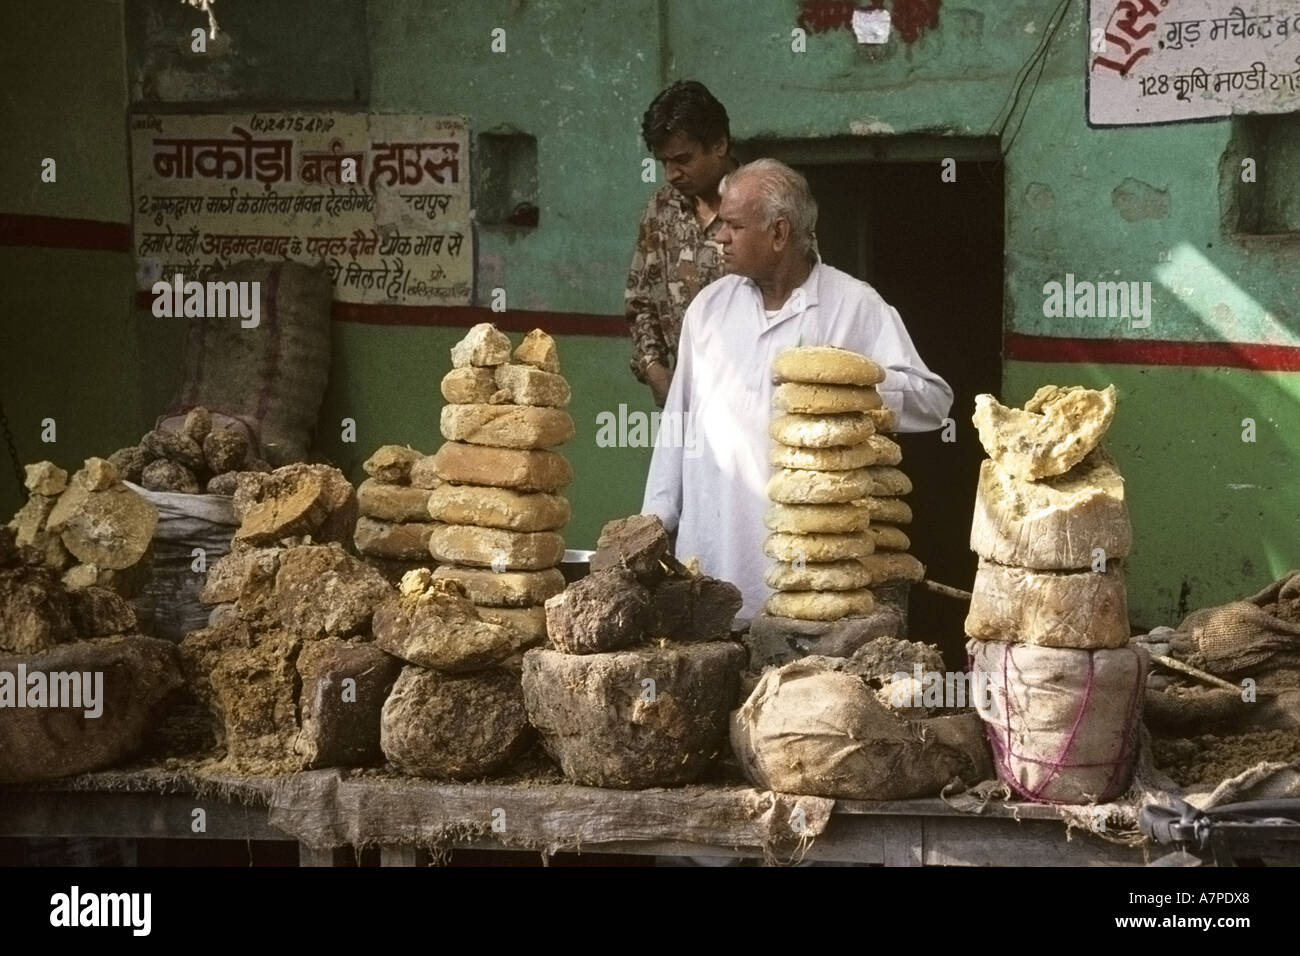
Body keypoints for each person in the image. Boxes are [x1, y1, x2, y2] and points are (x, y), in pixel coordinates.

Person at [642, 159, 953, 624]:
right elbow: (677, 422)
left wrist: (845, 379)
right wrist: (654, 522)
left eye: (734, 225)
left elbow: (934, 402)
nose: (719, 237)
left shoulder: (852, 304)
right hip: (707, 566)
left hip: (807, 578)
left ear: (779, 233)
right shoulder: (709, 308)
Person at [625, 81, 739, 407]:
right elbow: (641, 302)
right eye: (664, 163)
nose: (672, 174)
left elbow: (798, 300)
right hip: (685, 401)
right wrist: (655, 370)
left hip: (754, 401)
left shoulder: (766, 204)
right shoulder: (660, 210)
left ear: (719, 144)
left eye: (682, 160)